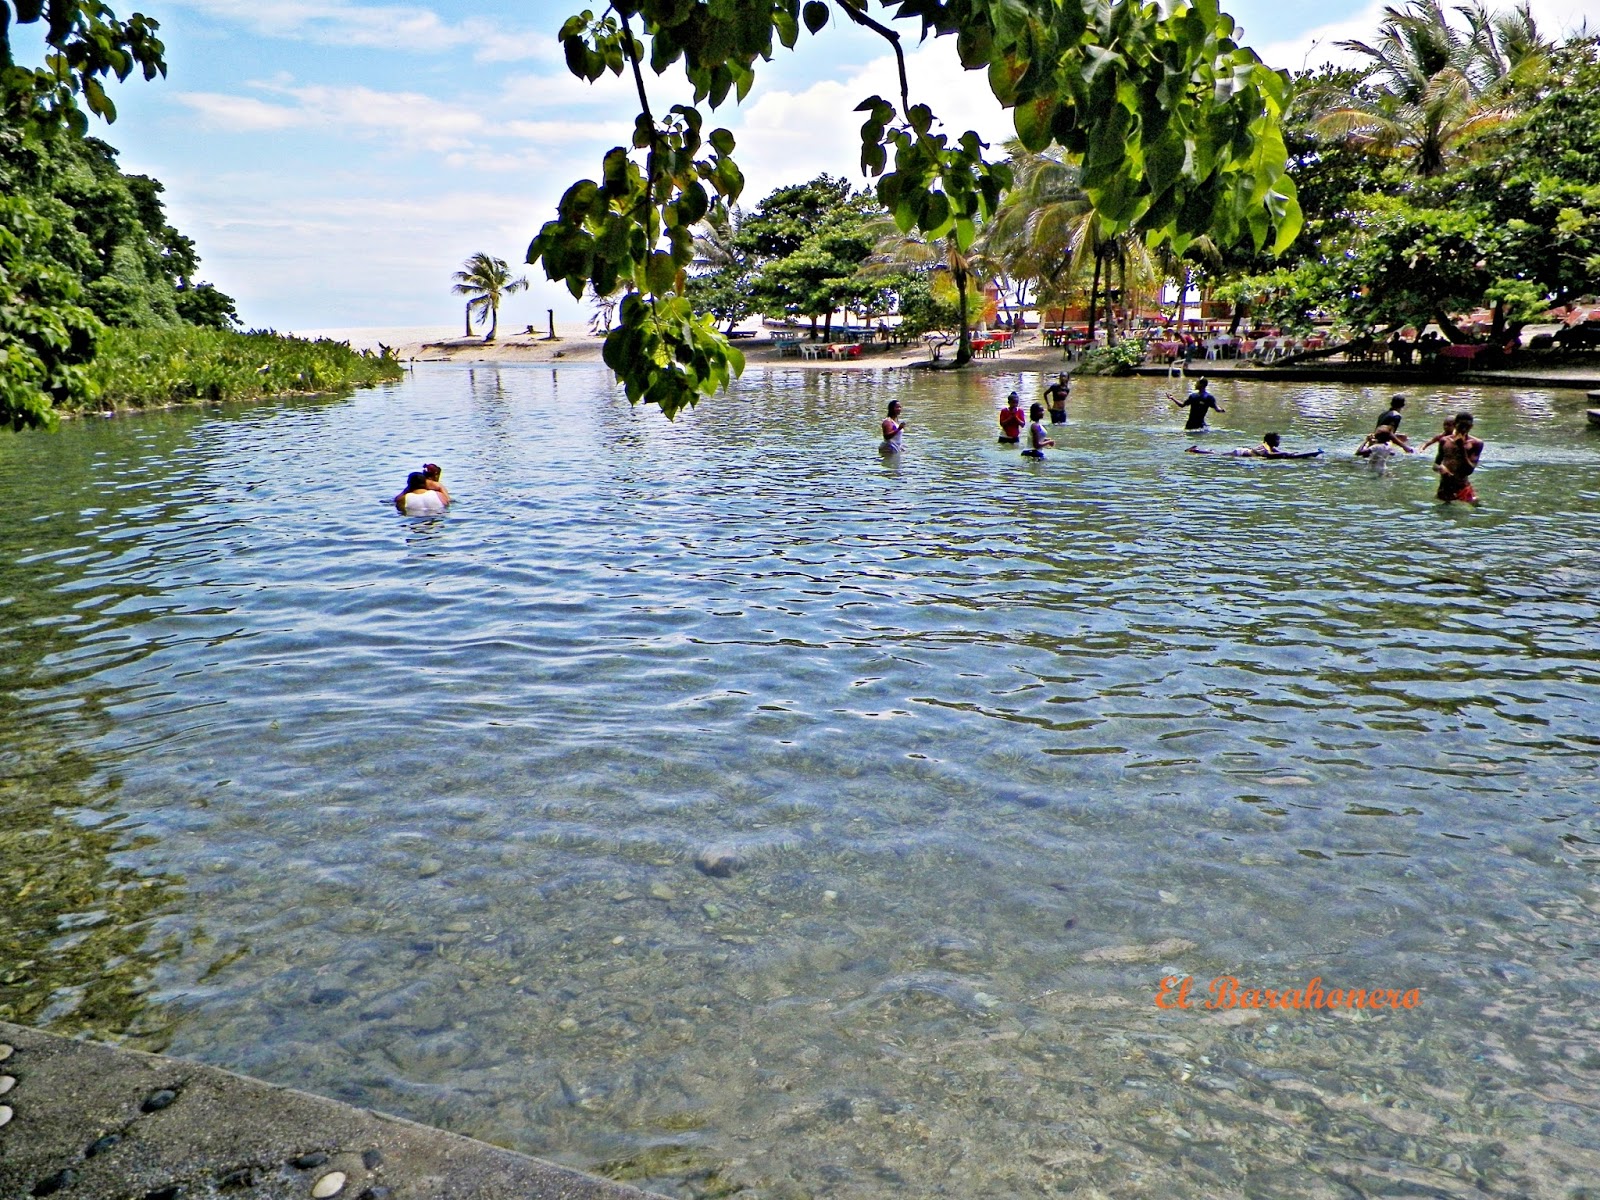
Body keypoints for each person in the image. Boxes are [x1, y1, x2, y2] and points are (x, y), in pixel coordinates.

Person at [1436, 411, 1483, 505]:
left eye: (1468, 427)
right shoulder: (1444, 441)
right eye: (1461, 426)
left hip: (1462, 487)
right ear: (1455, 425)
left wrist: (1461, 448)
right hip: (1445, 487)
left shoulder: (1476, 443)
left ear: (1471, 426)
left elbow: (1469, 470)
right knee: (1443, 513)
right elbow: (1436, 464)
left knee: (1476, 507)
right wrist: (1441, 468)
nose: (1464, 429)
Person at [1186, 432, 1321, 459]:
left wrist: (1293, 454)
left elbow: (1280, 452)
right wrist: (1284, 455)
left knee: (1217, 453)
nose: (1279, 442)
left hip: (1242, 451)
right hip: (1240, 453)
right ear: (1271, 440)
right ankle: (1196, 450)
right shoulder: (1265, 447)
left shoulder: (1270, 447)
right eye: (1278, 440)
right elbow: (1269, 455)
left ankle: (1199, 450)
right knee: (1216, 454)